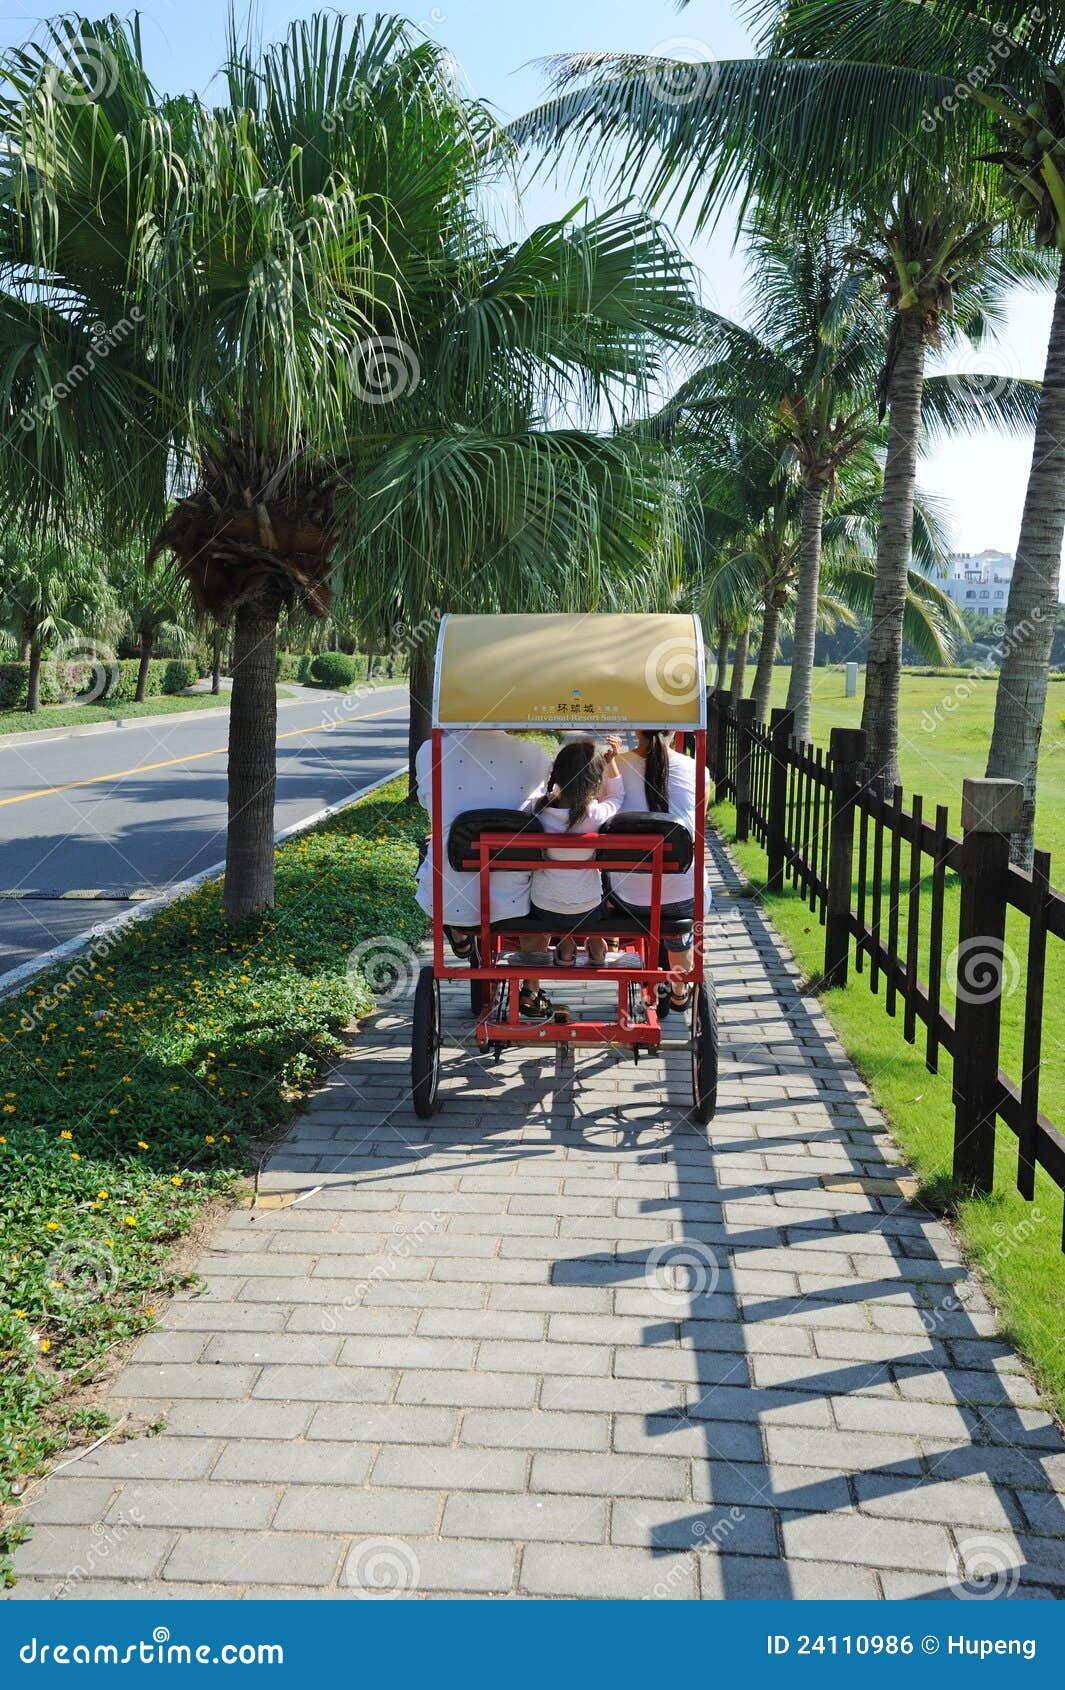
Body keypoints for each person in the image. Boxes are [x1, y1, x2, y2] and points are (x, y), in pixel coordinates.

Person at [414, 730, 553, 949]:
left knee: (431, 843)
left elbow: (427, 805)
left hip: (448, 899)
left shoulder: (429, 751)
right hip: (518, 900)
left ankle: (458, 934)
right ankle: (532, 968)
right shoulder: (537, 754)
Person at [517, 739, 624, 1011]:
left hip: (544, 908)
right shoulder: (595, 814)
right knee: (594, 887)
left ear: (557, 774)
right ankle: (595, 942)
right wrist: (611, 761)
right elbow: (617, 796)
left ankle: (566, 944)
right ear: (594, 780)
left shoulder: (537, 811)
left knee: (553, 892)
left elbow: (528, 800)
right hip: (588, 910)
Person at [609, 729, 710, 1015]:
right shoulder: (697, 770)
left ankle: (611, 943)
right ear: (675, 730)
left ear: (636, 729)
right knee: (680, 900)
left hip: (626, 897)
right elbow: (697, 827)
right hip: (683, 895)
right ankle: (679, 986)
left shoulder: (615, 766)